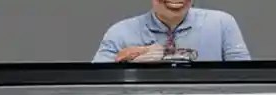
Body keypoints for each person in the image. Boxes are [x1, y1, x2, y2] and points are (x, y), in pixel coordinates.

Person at [93, 1, 251, 63]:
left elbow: (246, 80)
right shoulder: (119, 32)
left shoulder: (223, 24)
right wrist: (127, 65)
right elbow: (94, 86)